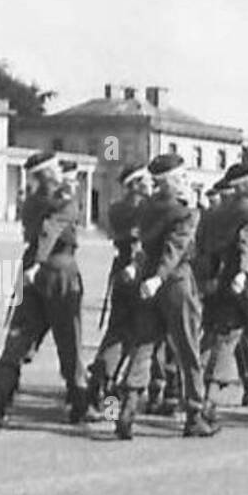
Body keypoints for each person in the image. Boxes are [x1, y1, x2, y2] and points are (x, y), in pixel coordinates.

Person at [0, 152, 95, 426]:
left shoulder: (31, 201)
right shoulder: (64, 200)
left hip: (30, 268)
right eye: (56, 168)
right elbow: (50, 229)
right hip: (58, 269)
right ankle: (79, 404)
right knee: (69, 338)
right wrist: (41, 261)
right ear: (49, 173)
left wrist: (33, 264)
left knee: (19, 338)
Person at [114, 153, 216, 439]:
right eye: (181, 178)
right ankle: (195, 413)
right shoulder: (185, 212)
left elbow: (145, 246)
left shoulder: (146, 208)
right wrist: (160, 277)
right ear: (169, 182)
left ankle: (128, 407)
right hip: (176, 283)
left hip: (148, 283)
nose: (186, 182)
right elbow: (176, 249)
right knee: (188, 349)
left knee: (145, 345)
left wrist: (146, 274)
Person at [198, 162, 248, 427]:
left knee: (223, 337)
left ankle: (206, 398)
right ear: (244, 184)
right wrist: (244, 273)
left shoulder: (215, 213)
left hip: (219, 280)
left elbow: (204, 248)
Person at [87, 162, 152, 411]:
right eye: (145, 180)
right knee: (140, 335)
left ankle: (100, 385)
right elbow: (140, 241)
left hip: (120, 269)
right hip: (140, 269)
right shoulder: (145, 208)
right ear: (136, 184)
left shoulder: (116, 208)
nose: (150, 184)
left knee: (117, 329)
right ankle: (122, 398)